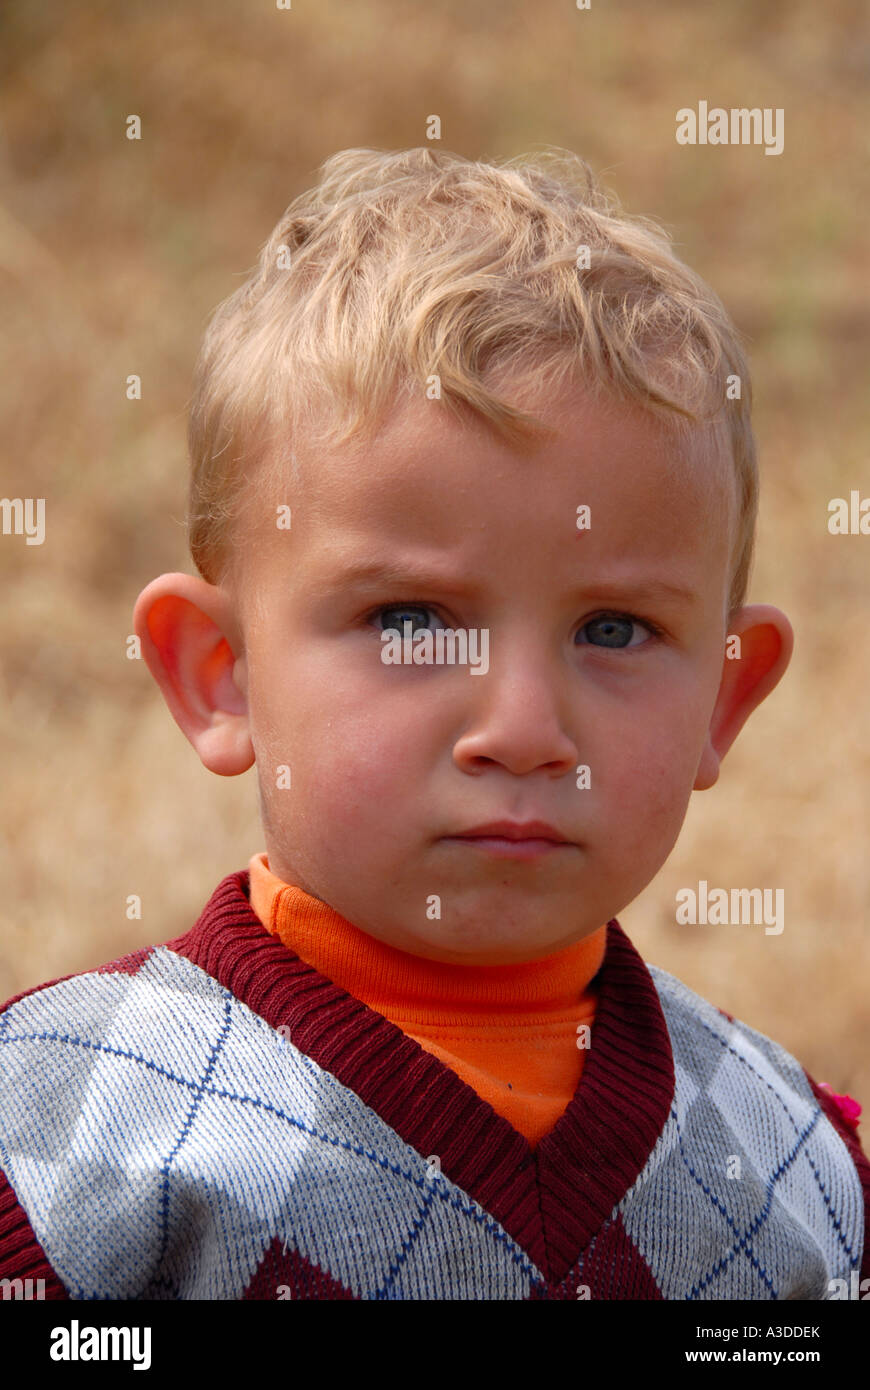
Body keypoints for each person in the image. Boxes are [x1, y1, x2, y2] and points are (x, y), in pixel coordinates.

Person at [1, 147, 866, 1300]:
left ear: (724, 695)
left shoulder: (800, 1165)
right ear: (222, 673)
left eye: (612, 630)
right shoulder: (61, 1143)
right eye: (410, 620)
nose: (521, 730)